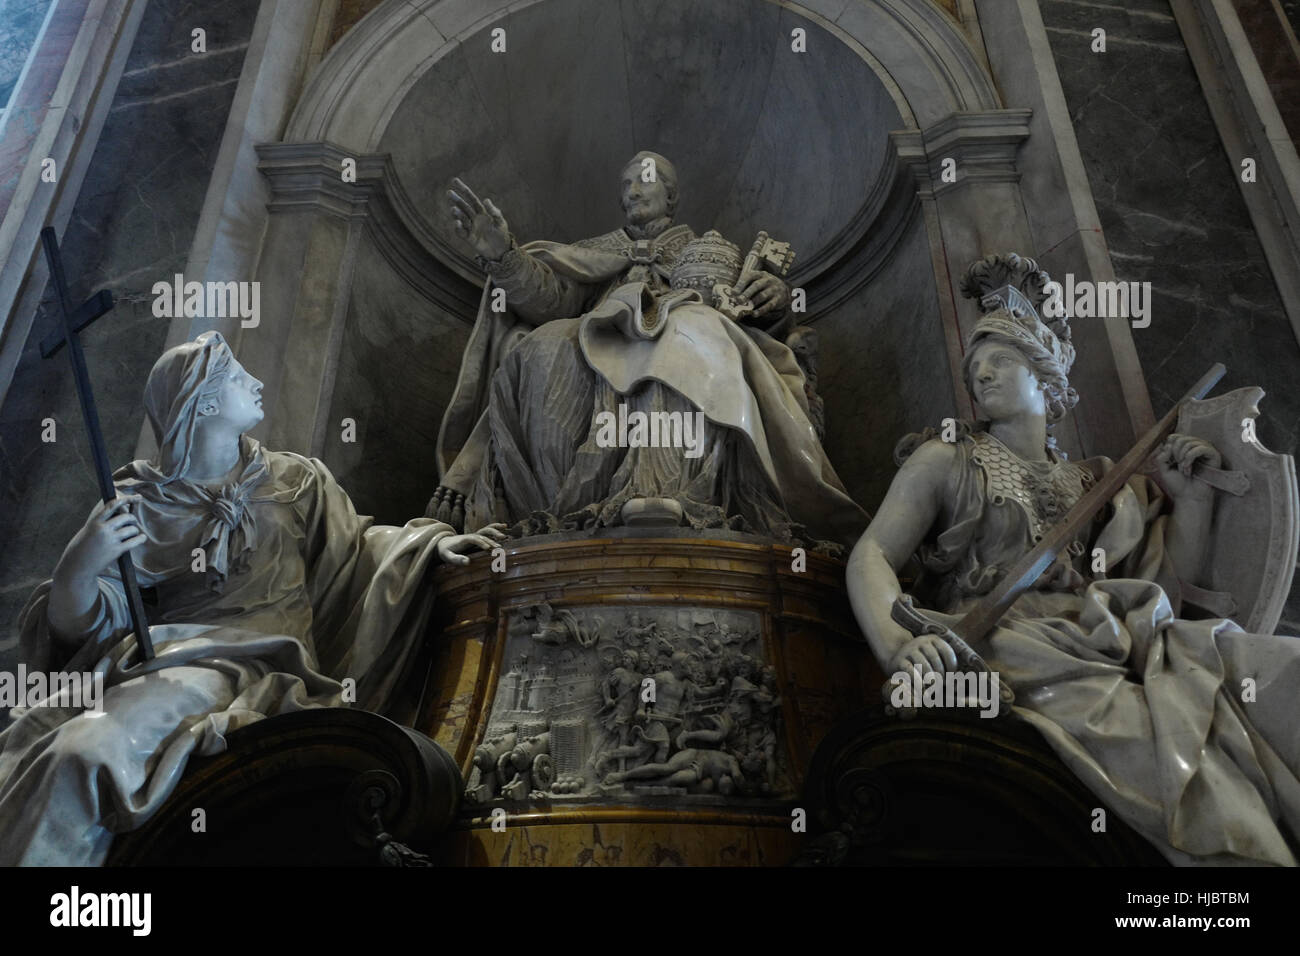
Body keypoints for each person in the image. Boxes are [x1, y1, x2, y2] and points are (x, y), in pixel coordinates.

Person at [847, 269, 1300, 865]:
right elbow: (872, 554)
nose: (980, 374)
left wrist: (1190, 499)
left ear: (1044, 376)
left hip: (1120, 637)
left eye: (1002, 359)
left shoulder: (1101, 479)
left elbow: (1158, 586)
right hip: (1016, 650)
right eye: (974, 368)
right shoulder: (945, 461)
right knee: (1180, 762)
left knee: (1281, 670)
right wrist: (894, 647)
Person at [0, 331, 504, 865]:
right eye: (240, 377)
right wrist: (78, 566)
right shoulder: (138, 501)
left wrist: (430, 543)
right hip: (162, 666)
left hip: (253, 665)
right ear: (207, 402)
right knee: (27, 751)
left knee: (84, 752)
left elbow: (356, 551)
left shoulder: (295, 479)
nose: (258, 382)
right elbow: (90, 627)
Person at [432, 152, 868, 547]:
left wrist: (772, 294)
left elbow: (745, 311)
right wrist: (503, 256)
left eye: (645, 178)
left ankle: (663, 489)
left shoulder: (708, 253)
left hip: (684, 335)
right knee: (540, 346)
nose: (634, 190)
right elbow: (551, 299)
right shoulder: (594, 253)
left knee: (682, 329)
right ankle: (558, 512)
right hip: (597, 338)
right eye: (626, 184)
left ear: (672, 196)